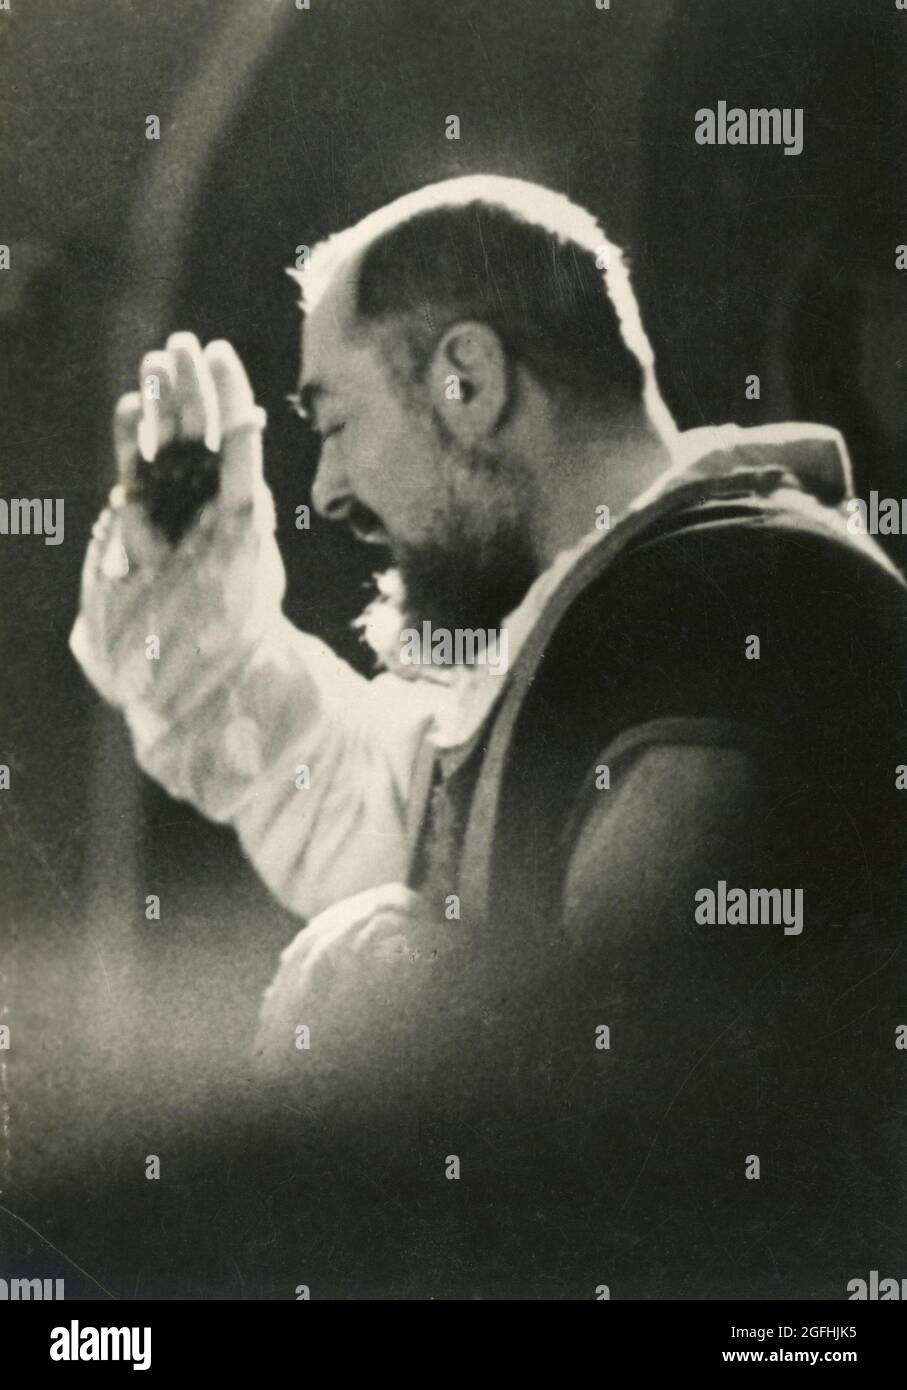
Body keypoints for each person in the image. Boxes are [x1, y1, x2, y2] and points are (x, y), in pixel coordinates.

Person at [70, 176, 905, 1296]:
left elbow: (622, 1118)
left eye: (333, 422)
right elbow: (380, 800)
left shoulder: (737, 596)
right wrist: (203, 636)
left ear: (466, 380)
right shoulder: (610, 613)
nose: (320, 488)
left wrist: (392, 1024)